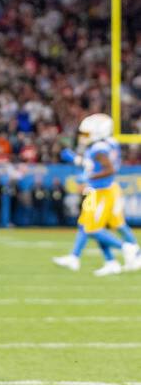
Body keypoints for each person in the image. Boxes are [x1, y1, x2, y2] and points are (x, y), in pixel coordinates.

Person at [52, 114, 141, 276]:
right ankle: (104, 260)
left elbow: (108, 169)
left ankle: (128, 249)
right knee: (88, 224)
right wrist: (75, 159)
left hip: (101, 191)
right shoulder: (107, 144)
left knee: (92, 228)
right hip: (102, 190)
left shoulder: (98, 148)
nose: (83, 137)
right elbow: (92, 164)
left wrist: (88, 177)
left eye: (87, 133)